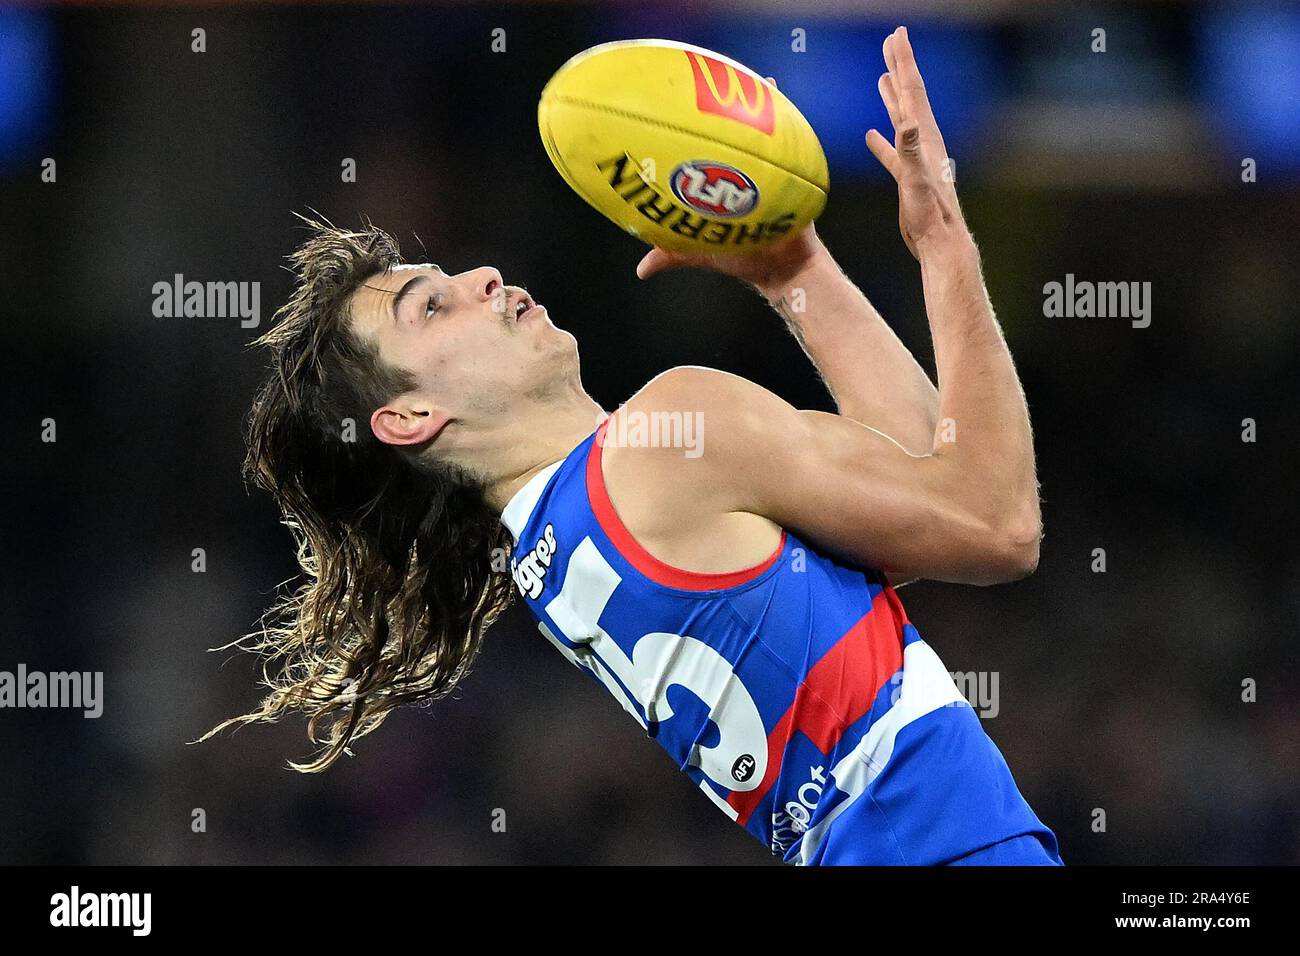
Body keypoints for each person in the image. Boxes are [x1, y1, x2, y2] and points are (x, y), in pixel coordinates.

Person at [209, 26, 1061, 865]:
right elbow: (994, 523)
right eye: (431, 308)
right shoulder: (662, 441)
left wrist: (796, 274)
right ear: (408, 419)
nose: (481, 279)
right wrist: (943, 244)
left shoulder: (555, 554)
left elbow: (912, 496)